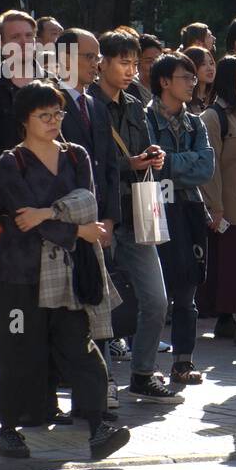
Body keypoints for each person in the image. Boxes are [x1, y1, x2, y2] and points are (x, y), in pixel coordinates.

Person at [0, 80, 129, 459]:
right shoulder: (10, 161)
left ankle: (100, 426)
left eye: (58, 113)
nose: (54, 121)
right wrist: (76, 229)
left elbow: (85, 201)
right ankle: (8, 430)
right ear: (25, 120)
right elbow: (22, 219)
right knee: (19, 351)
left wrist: (53, 215)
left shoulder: (76, 155)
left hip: (68, 270)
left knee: (80, 346)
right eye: (44, 115)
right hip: (20, 272)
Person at [89, 31, 180, 403]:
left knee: (156, 300)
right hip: (100, 218)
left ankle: (142, 373)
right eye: (123, 62)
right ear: (103, 63)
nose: (130, 70)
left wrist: (151, 157)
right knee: (99, 307)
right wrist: (131, 163)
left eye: (133, 63)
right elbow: (93, 164)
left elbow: (138, 151)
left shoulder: (137, 103)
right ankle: (100, 381)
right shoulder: (86, 105)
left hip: (136, 212)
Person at [0, 10, 48, 343]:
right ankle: (7, 340)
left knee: (41, 280)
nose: (24, 43)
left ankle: (38, 350)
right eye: (15, 37)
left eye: (29, 36)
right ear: (1, 44)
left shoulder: (50, 86)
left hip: (44, 205)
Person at [55, 28, 122, 407]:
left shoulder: (96, 105)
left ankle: (98, 390)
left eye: (97, 56)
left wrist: (110, 218)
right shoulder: (50, 102)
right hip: (64, 227)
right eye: (89, 56)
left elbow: (109, 165)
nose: (96, 64)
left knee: (97, 307)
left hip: (98, 224)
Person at [145, 52, 215, 386]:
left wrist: (167, 163)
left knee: (188, 288)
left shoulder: (195, 122)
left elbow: (206, 167)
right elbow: (144, 166)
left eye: (193, 77)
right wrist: (176, 164)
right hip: (153, 207)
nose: (193, 83)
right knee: (151, 289)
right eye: (185, 77)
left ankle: (183, 360)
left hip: (188, 208)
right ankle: (144, 363)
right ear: (164, 82)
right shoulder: (142, 118)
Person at [198, 55, 236, 338]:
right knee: (230, 264)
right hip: (228, 206)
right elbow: (211, 167)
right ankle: (226, 317)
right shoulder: (214, 117)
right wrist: (215, 207)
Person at [129, 33, 162, 105]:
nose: (154, 65)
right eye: (149, 61)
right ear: (137, 62)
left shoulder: (166, 89)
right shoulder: (128, 90)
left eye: (157, 60)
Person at [184, 46, 216, 114]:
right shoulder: (184, 100)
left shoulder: (216, 98)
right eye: (203, 64)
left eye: (211, 63)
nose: (210, 68)